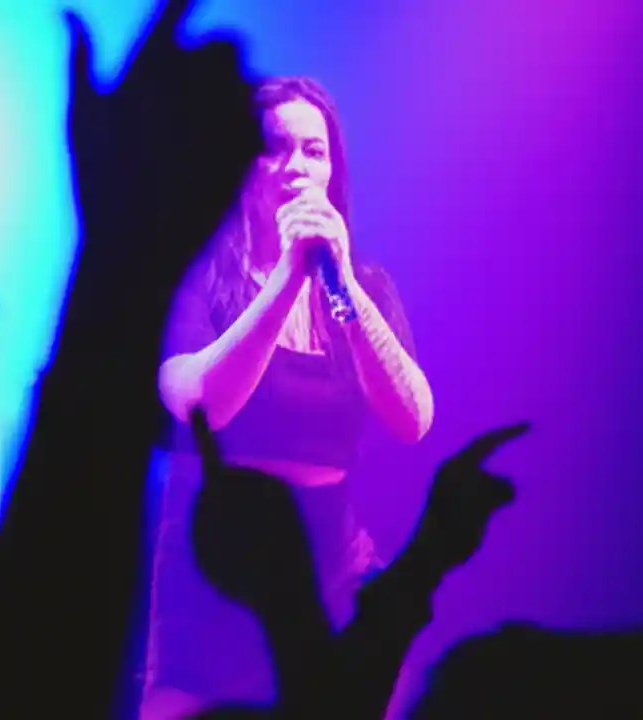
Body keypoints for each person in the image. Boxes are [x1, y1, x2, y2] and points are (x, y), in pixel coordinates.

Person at [142, 76, 434, 717]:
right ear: (244, 166)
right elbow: (198, 405)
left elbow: (414, 418)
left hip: (329, 558)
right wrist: (284, 280)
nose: (297, 167)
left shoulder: (364, 288)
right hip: (216, 561)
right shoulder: (200, 277)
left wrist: (345, 290)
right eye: (276, 147)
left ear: (334, 172)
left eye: (314, 151)